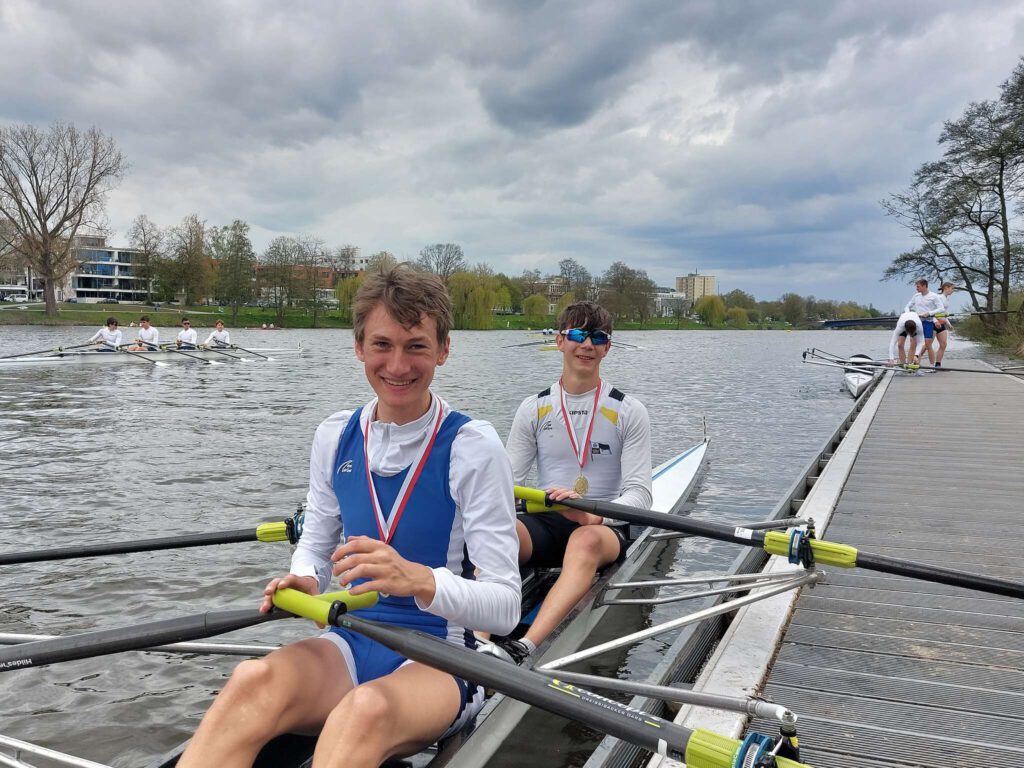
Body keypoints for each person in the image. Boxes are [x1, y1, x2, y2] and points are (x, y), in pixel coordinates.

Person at [178, 267, 521, 768]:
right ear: (358, 346)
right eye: (382, 344)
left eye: (417, 346)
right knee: (251, 681)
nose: (398, 365)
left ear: (444, 350)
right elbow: (316, 544)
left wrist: (419, 579)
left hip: (443, 655)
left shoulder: (473, 447)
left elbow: (506, 607)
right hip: (351, 635)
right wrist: (304, 579)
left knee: (363, 712)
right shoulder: (334, 436)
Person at [497, 301, 652, 664]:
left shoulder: (629, 411)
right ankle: (477, 637)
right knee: (495, 531)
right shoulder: (533, 409)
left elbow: (641, 496)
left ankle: (524, 647)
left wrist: (595, 516)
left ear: (607, 347)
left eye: (598, 337)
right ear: (560, 341)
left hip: (603, 528)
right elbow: (505, 484)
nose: (587, 344)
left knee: (583, 540)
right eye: (578, 335)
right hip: (549, 519)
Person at [904, 279, 944, 365]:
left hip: (928, 322)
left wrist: (929, 313)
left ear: (924, 286)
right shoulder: (916, 296)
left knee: (928, 345)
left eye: (918, 286)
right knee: (913, 343)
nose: (916, 288)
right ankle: (911, 364)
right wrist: (908, 314)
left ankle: (932, 366)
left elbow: (941, 308)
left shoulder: (934, 296)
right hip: (917, 323)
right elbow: (907, 306)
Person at [932, 282, 956, 368]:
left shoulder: (947, 299)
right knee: (927, 345)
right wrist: (935, 321)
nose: (953, 291)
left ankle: (937, 365)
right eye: (952, 288)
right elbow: (932, 311)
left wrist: (949, 324)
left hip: (942, 323)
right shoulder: (939, 298)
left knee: (943, 344)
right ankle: (915, 360)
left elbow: (944, 314)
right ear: (946, 288)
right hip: (934, 323)